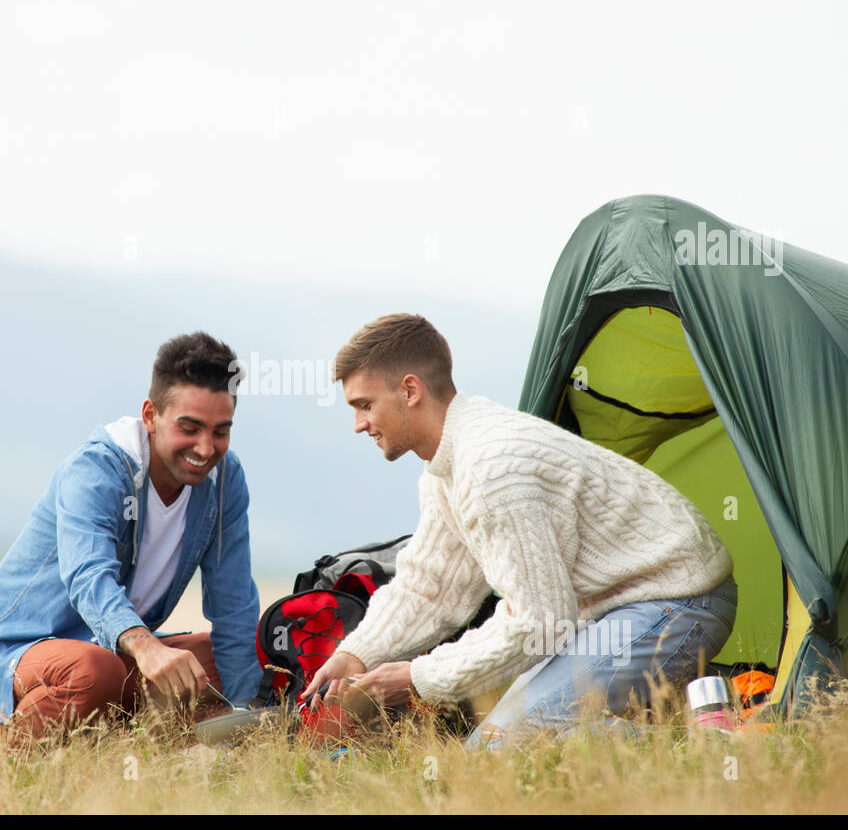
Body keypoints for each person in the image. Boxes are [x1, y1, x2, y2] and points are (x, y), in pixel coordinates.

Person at [300, 314, 737, 749]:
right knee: (491, 743)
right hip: (613, 613)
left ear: (410, 390)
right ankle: (696, 714)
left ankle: (716, 747)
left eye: (364, 405)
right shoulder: (446, 470)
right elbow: (430, 590)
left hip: (676, 602)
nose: (359, 424)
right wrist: (355, 655)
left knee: (495, 748)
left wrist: (417, 677)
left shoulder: (492, 467)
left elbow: (540, 621)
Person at [0, 332, 262, 747]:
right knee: (94, 671)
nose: (206, 448)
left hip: (113, 652)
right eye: (190, 428)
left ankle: (120, 758)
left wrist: (246, 717)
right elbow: (88, 576)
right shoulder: (97, 467)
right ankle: (11, 764)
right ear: (150, 415)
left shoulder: (225, 480)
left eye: (221, 432)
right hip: (12, 653)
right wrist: (148, 649)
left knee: (226, 663)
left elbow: (234, 604)